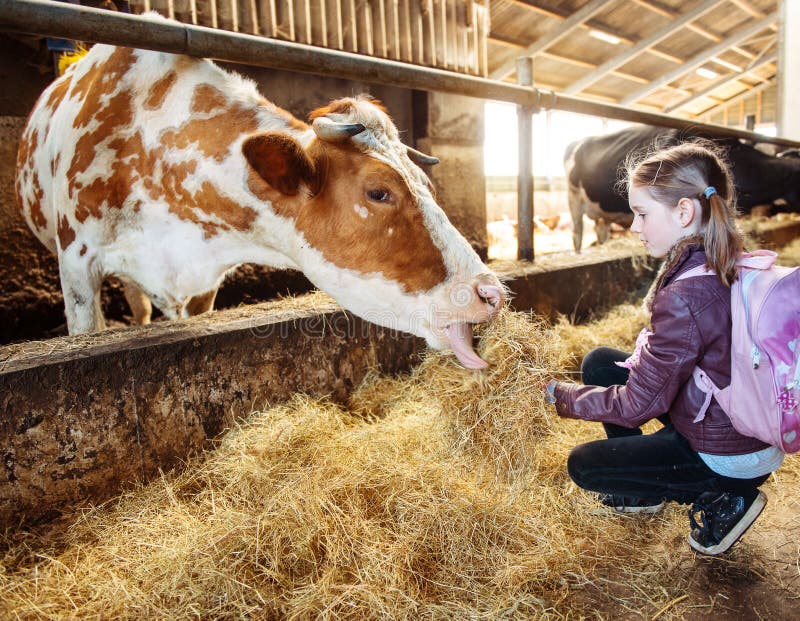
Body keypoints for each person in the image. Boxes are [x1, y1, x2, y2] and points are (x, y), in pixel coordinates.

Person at [544, 140, 784, 556]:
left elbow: (637, 405)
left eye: (641, 214)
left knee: (585, 465)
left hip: (727, 453)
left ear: (684, 212)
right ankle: (649, 491)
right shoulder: (721, 255)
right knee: (601, 362)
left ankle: (725, 496)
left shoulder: (688, 294)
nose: (633, 227)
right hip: (736, 418)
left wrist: (558, 395)